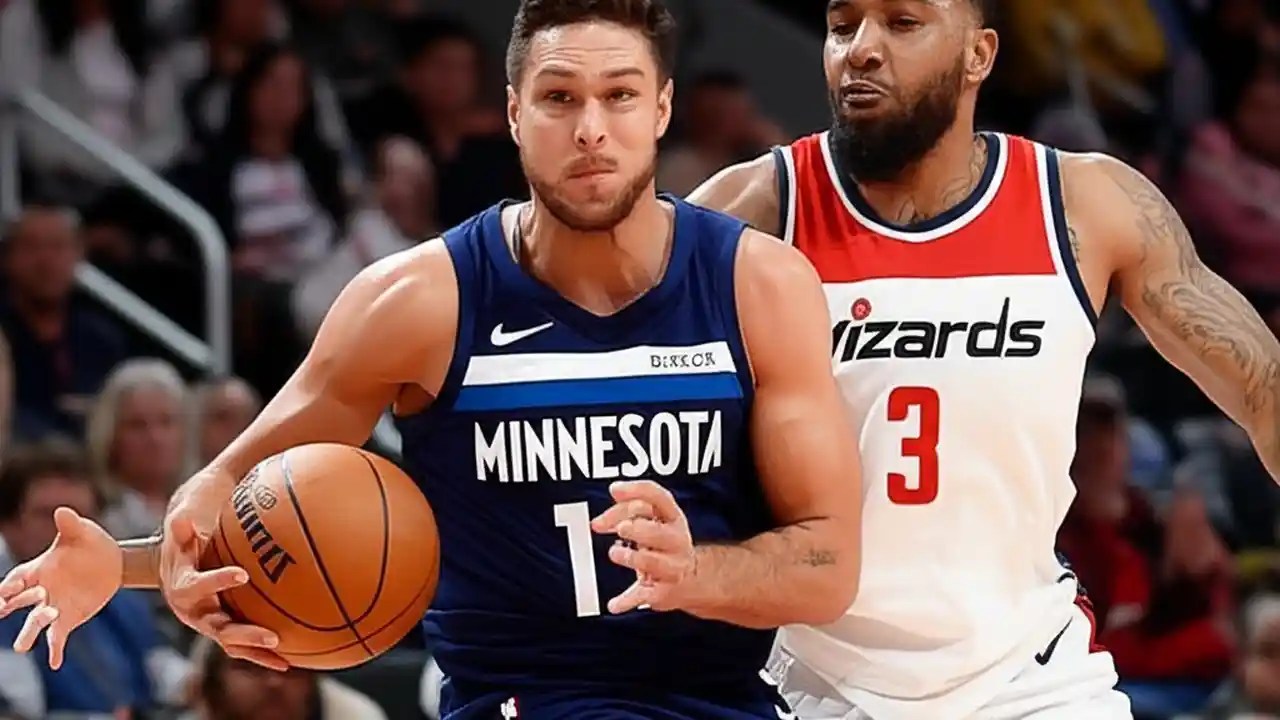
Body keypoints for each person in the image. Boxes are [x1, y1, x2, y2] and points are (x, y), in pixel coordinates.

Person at [0, 1, 863, 718]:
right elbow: (232, 488)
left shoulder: (759, 284)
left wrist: (696, 572)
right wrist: (137, 562)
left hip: (720, 700)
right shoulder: (418, 300)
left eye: (620, 96)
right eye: (560, 98)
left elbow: (828, 566)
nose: (592, 128)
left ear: (663, 110)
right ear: (516, 112)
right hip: (516, 700)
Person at [688, 0, 1280, 718]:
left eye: (902, 23)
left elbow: (1262, 386)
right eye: (844, 25)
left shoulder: (1082, 205)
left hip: (1032, 682)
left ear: (980, 55)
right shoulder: (750, 212)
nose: (861, 50)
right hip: (807, 683)